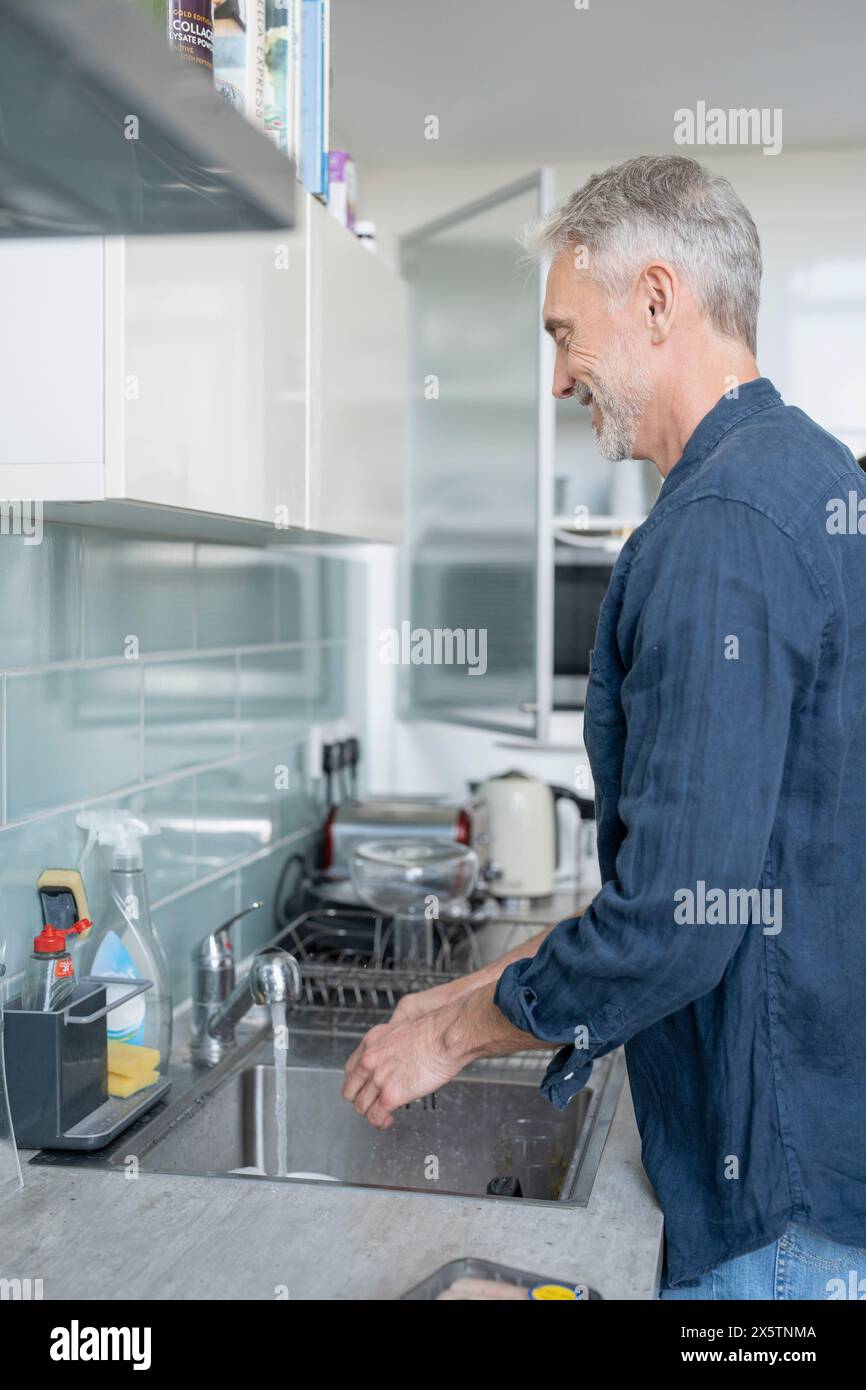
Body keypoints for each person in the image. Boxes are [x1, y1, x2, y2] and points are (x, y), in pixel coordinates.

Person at [342, 155, 866, 1299]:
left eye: (562, 333)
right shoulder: (810, 477)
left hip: (772, 1216)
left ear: (658, 299)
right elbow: (742, 862)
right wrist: (495, 979)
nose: (554, 378)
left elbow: (678, 919)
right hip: (816, 1163)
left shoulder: (718, 527)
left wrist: (455, 1033)